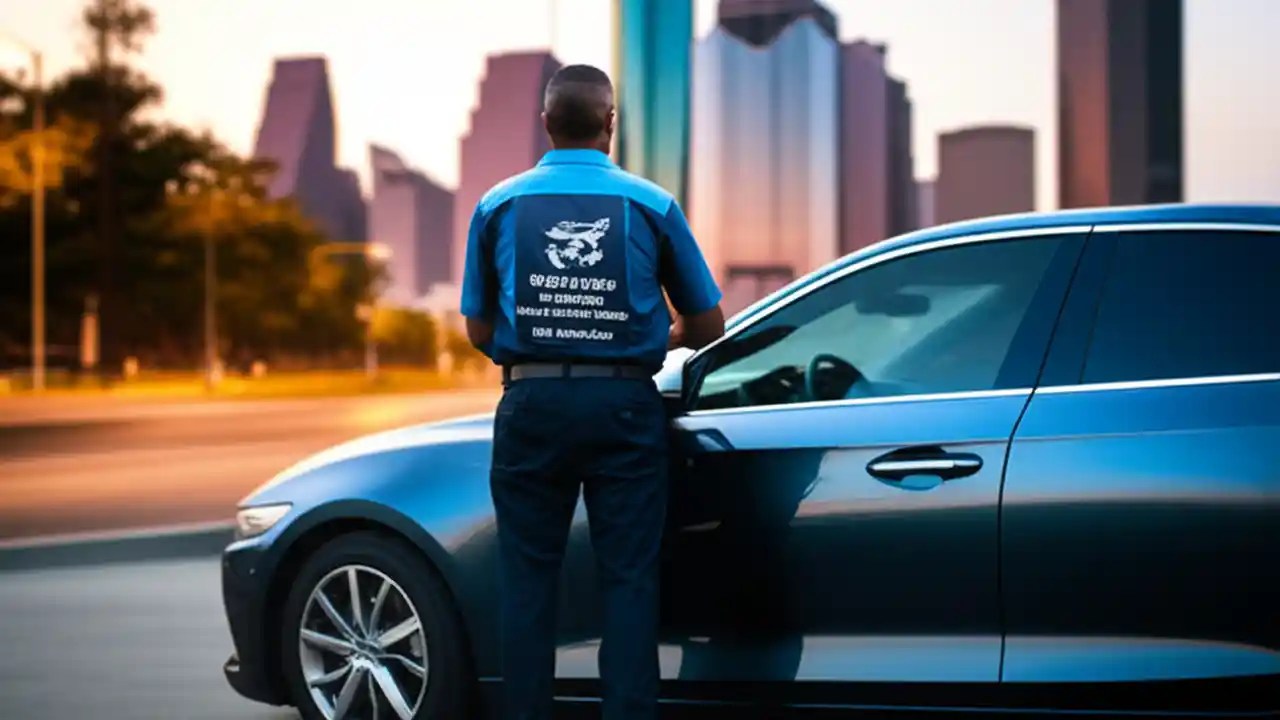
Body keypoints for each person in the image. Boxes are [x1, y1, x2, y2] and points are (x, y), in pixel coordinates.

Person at [460, 63, 725, 720]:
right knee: (629, 580)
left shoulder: (497, 205)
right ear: (612, 123)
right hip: (626, 410)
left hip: (530, 407)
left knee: (527, 582)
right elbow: (709, 323)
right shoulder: (651, 204)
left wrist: (535, 355)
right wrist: (643, 343)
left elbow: (477, 325)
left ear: (545, 122)